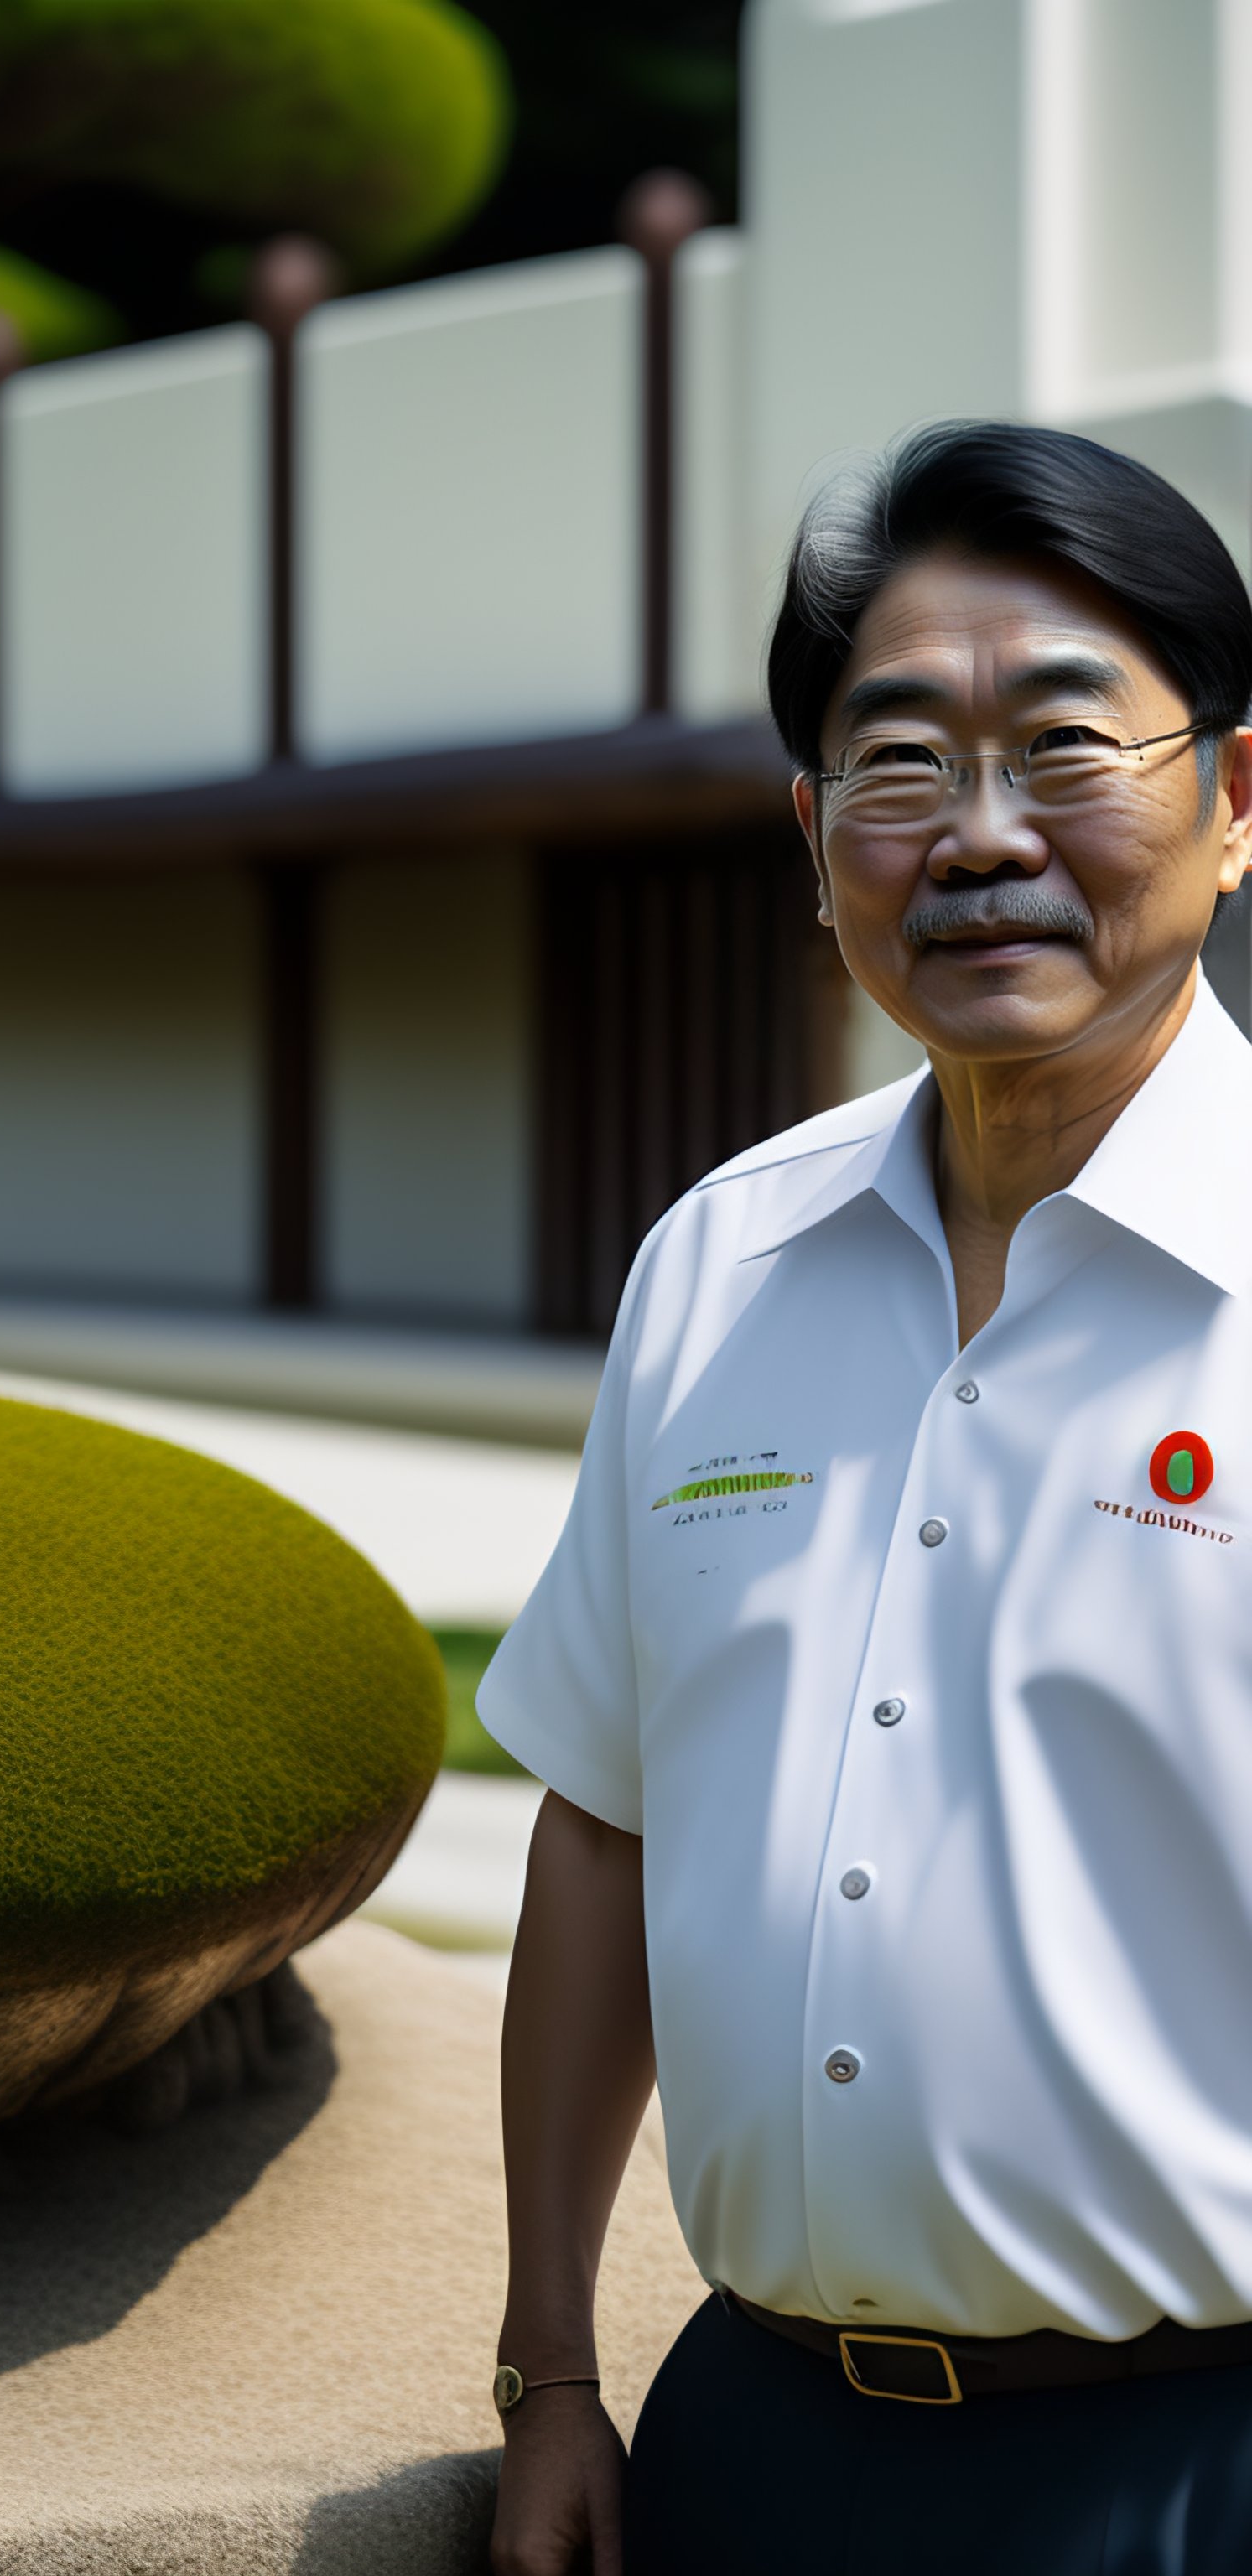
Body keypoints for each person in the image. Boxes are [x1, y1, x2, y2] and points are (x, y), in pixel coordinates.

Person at [479, 419, 1252, 2576]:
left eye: (1068, 748)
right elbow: (605, 1822)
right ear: (818, 842)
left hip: (1195, 2466)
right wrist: (551, 2368)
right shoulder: (716, 1265)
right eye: (901, 763)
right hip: (749, 2447)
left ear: (1235, 801)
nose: (982, 836)